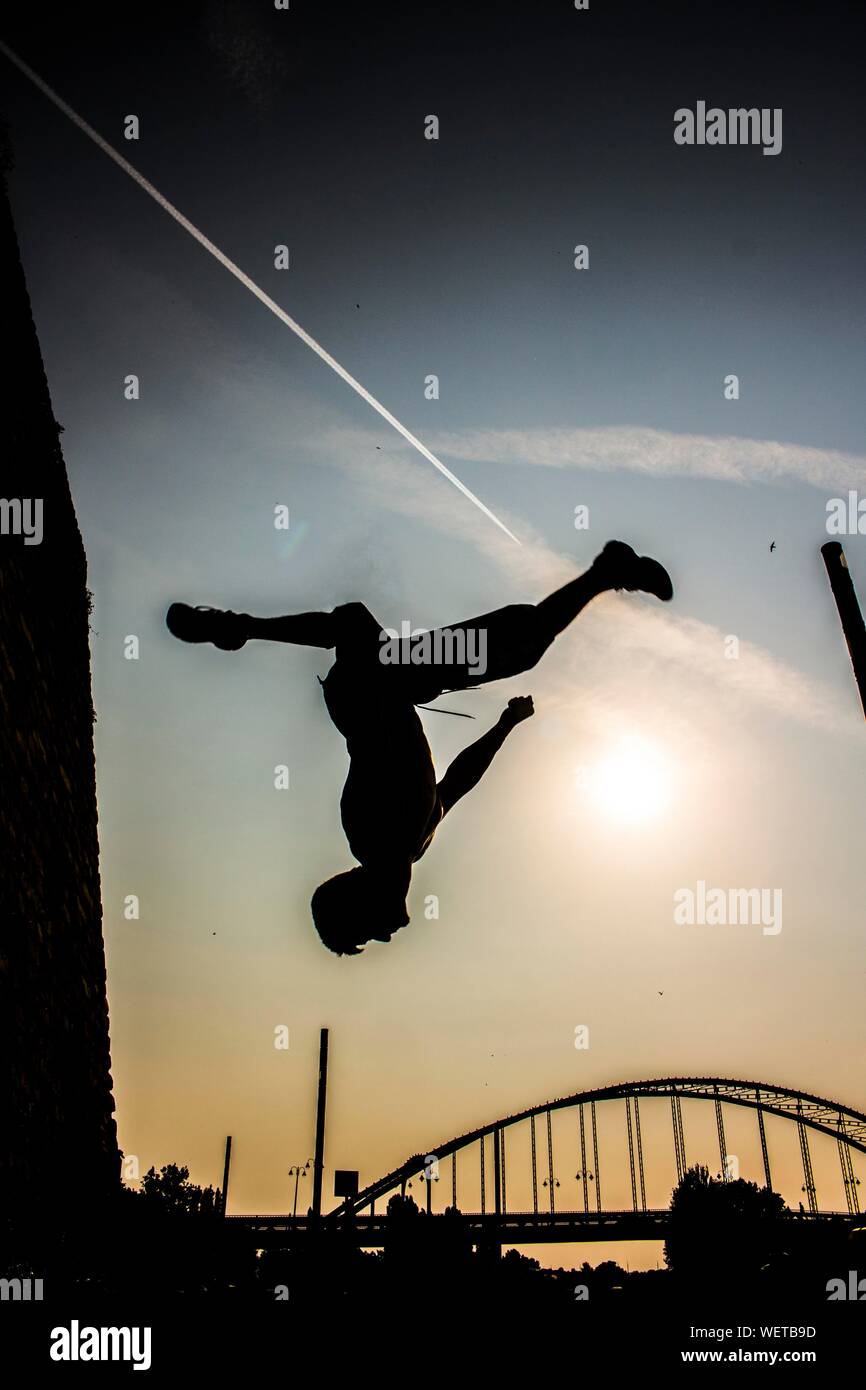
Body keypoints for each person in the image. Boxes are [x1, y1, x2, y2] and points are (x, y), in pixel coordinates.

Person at [166, 540, 672, 954]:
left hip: (370, 687)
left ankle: (238, 627)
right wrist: (505, 725)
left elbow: (376, 735)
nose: (387, 933)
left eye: (369, 930)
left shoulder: (372, 832)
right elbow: (455, 784)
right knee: (525, 643)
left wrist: (400, 676)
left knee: (358, 625)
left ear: (358, 898)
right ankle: (608, 572)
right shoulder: (411, 845)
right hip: (402, 678)